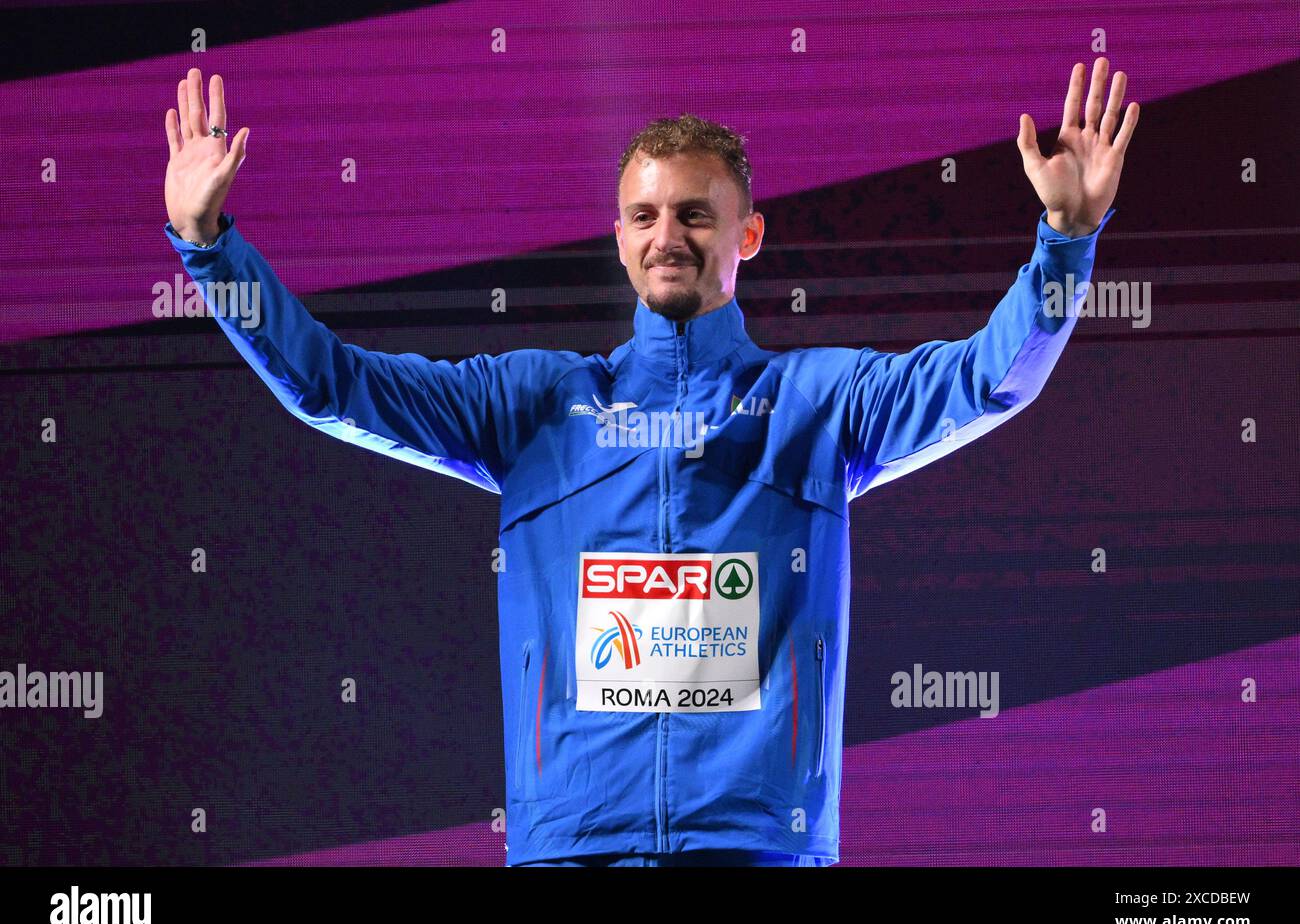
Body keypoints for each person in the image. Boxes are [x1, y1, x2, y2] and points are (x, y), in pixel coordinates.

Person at [162, 61, 1138, 867]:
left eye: (694, 215)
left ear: (746, 235)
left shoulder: (815, 405)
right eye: (642, 216)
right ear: (619, 237)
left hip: (761, 849)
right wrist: (209, 249)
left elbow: (986, 381)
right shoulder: (535, 404)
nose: (665, 235)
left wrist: (1065, 243)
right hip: (568, 846)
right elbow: (331, 386)